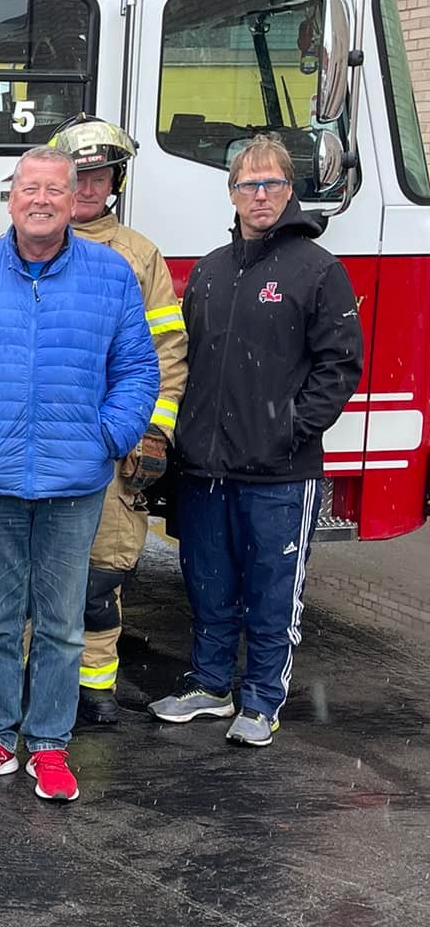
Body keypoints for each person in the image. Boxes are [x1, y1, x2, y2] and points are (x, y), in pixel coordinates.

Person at [0, 145, 159, 803]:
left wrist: (105, 437)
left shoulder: (110, 276)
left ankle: (49, 746)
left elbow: (139, 369)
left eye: (54, 189)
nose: (41, 200)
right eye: (30, 189)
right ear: (12, 197)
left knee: (60, 624)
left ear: (75, 197)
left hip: (74, 484)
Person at [151, 135, 363, 746]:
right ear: (232, 193)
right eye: (249, 185)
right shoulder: (212, 272)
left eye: (271, 183)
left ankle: (262, 700)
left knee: (272, 592)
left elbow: (339, 366)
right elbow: (183, 361)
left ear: (290, 190)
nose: (260, 195)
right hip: (205, 469)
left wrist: (288, 430)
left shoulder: (319, 270)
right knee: (209, 585)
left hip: (280, 473)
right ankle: (212, 687)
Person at [48, 119, 188, 727]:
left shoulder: (139, 255)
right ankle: (43, 684)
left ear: (114, 181)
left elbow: (167, 350)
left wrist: (155, 431)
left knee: (101, 575)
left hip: (114, 444)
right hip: (48, 441)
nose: (86, 186)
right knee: (44, 574)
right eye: (76, 174)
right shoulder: (29, 243)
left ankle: (96, 686)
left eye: (98, 174)